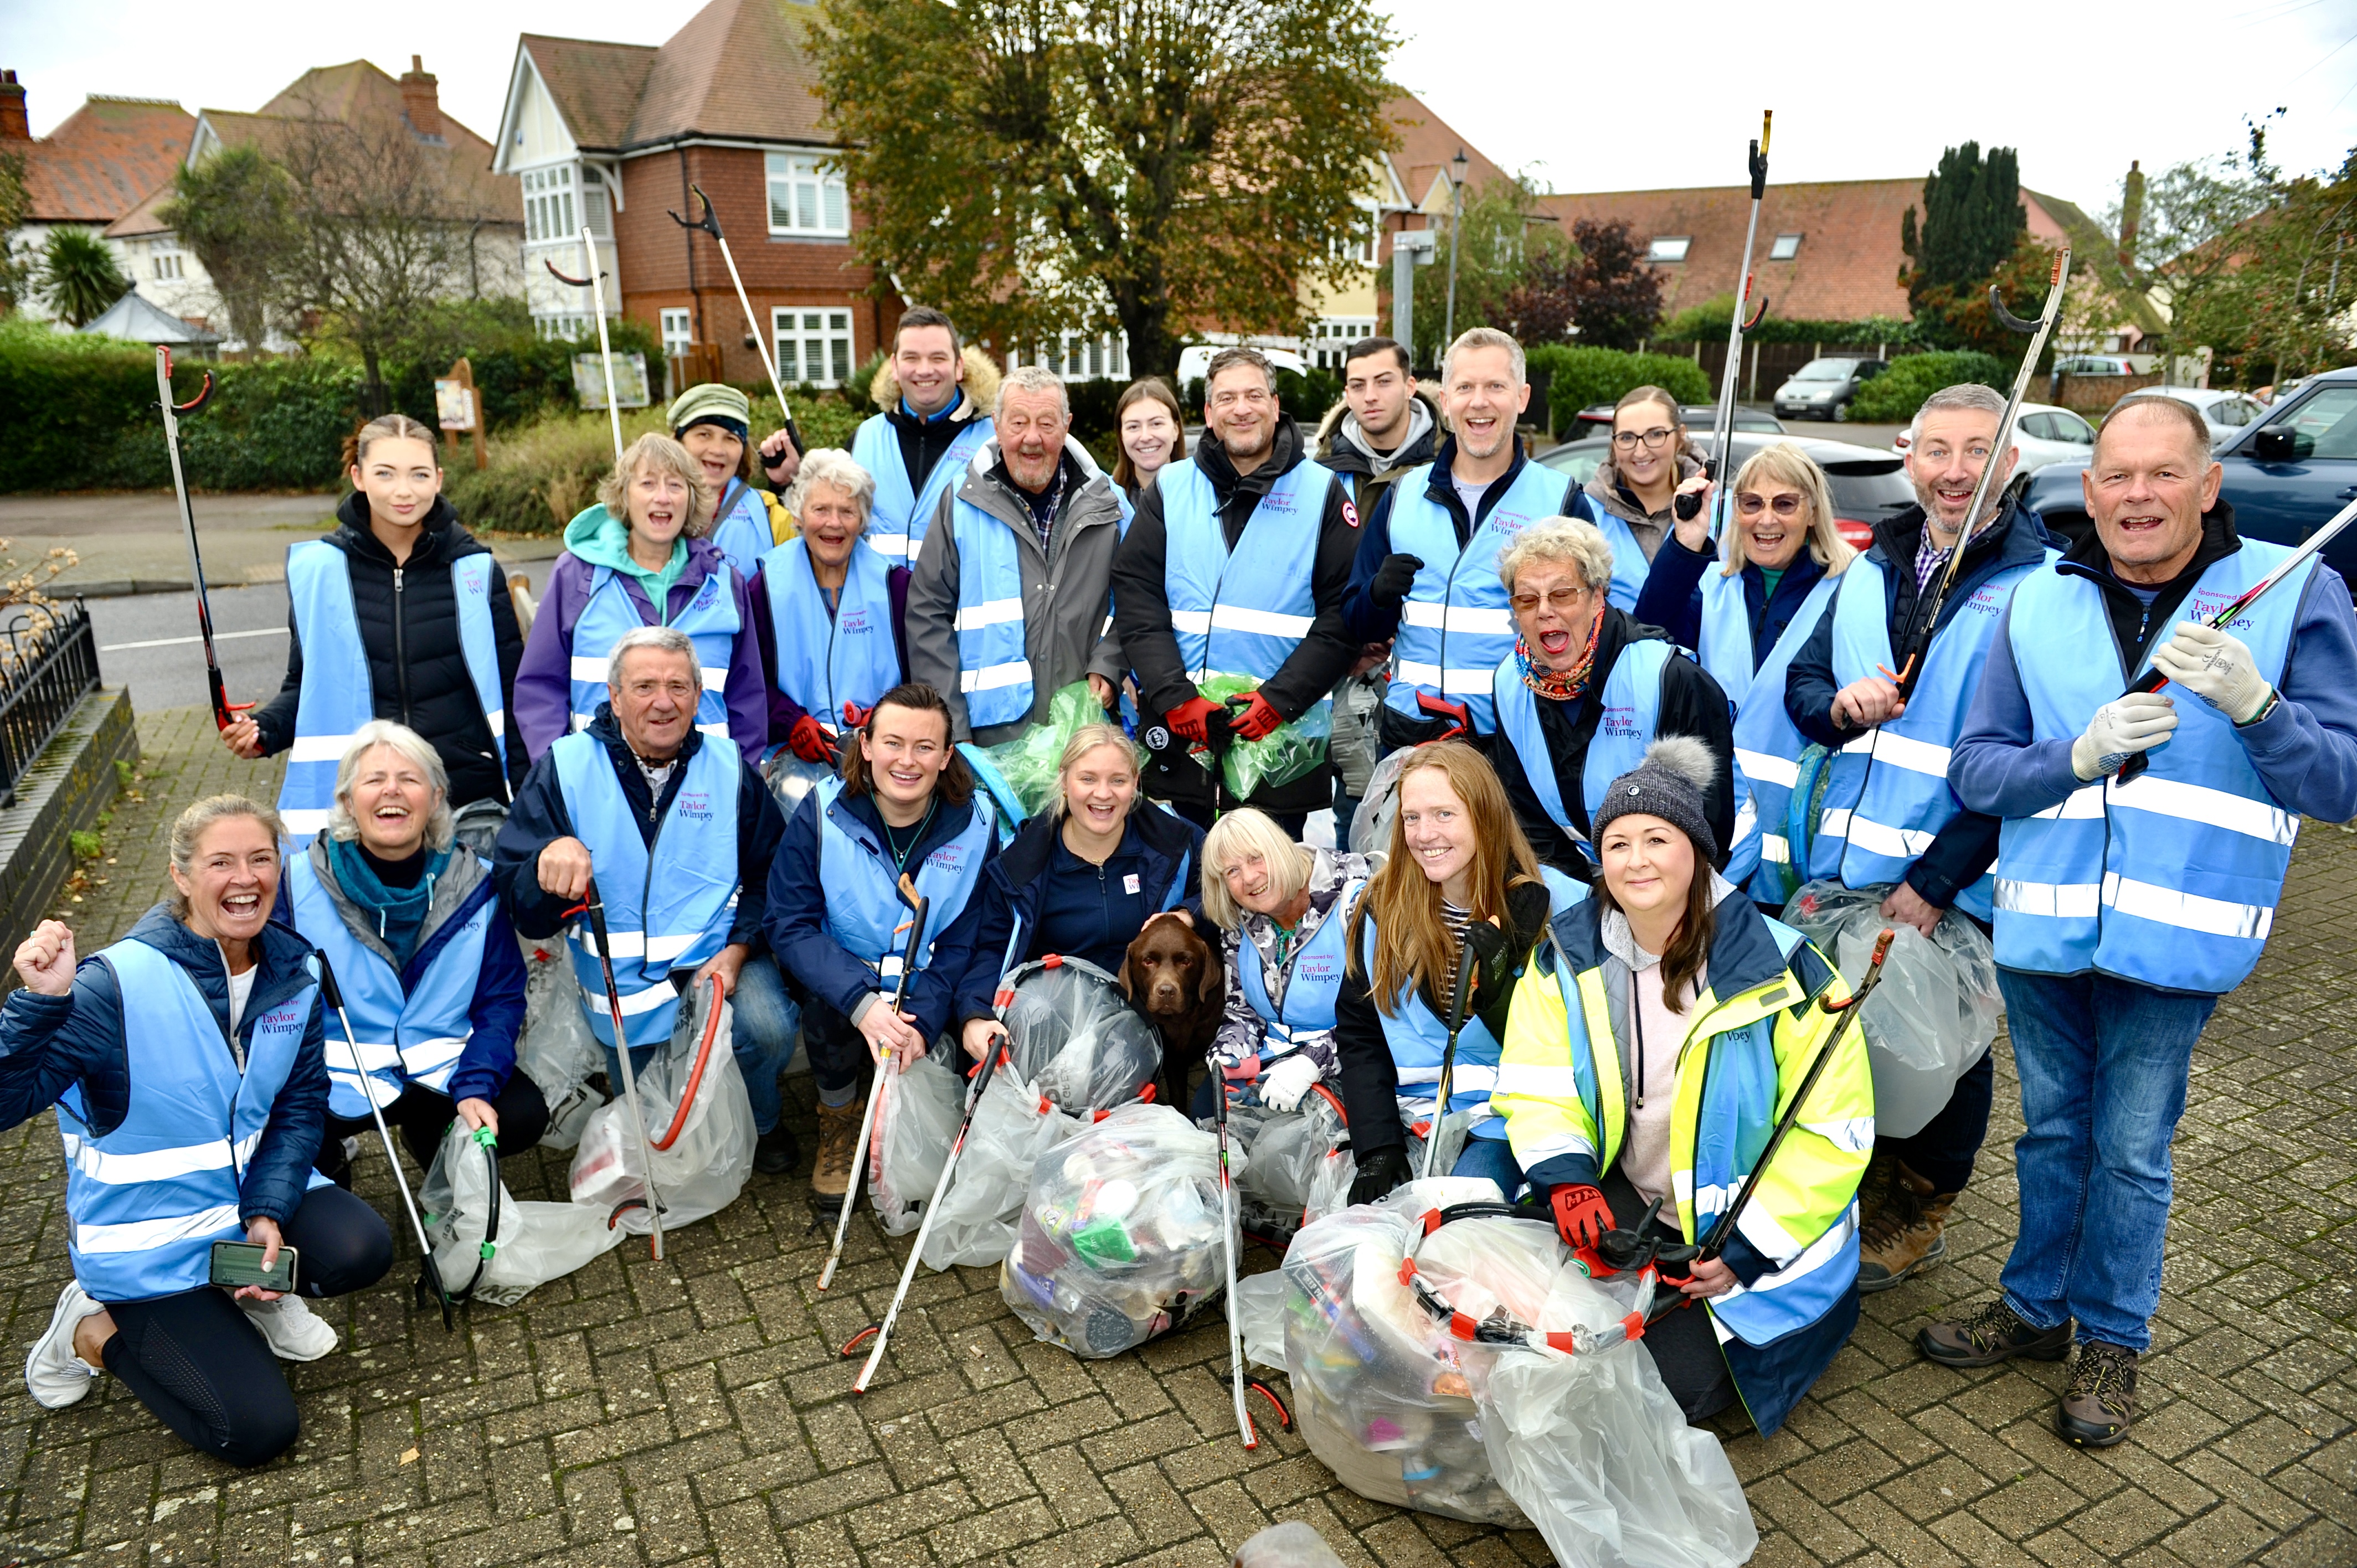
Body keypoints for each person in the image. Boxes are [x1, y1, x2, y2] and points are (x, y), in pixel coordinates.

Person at [1933, 396, 2357, 1447]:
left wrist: (2262, 708)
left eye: (2163, 473)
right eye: (2117, 475)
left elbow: (2342, 784)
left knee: (2130, 1148)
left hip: (2179, 938)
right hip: (2043, 928)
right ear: (2090, 488)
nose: (2136, 496)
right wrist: (2070, 758)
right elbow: (1977, 768)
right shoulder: (2033, 601)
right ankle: (2035, 1310)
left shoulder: (2296, 589)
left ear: (2208, 484)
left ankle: (2111, 1341)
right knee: (2054, 1134)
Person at [1493, 740, 1872, 1432]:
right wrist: (1564, 1178)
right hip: (1627, 1196)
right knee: (1523, 1326)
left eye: (1655, 839)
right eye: (1616, 842)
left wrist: (1744, 1249)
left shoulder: (1792, 976)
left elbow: (1832, 1136)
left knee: (1666, 1397)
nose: (1635, 859)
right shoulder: (1564, 959)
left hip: (1743, 1238)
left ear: (1696, 852)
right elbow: (1536, 1083)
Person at [9, 796, 393, 1466]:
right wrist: (40, 1006)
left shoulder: (291, 969)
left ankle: (247, 1296)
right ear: (182, 877)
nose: (245, 878)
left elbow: (301, 1104)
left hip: (241, 1205)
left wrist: (269, 1213)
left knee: (361, 1248)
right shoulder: (109, 985)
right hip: (147, 1243)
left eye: (261, 859)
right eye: (221, 862)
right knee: (257, 1433)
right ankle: (91, 1331)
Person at [1780, 382, 2053, 1293]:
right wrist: (1835, 706)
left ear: (2010, 463)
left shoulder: (2037, 588)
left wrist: (1938, 879)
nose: (1955, 471)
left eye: (1978, 451)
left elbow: (2029, 756)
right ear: (1910, 454)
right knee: (1855, 1036)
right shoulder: (1870, 564)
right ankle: (1860, 1179)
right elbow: (1806, 687)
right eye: (1938, 450)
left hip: (1951, 876)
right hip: (1847, 863)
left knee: (1950, 1042)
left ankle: (1924, 1204)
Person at [493, 627, 801, 1176]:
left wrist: (738, 949)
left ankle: (761, 1121)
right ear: (613, 697)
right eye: (645, 687)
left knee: (768, 1026)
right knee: (659, 1138)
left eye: (679, 687)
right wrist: (544, 868)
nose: (664, 702)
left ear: (698, 697)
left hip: (716, 964)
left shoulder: (730, 770)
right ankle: (688, 1135)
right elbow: (523, 908)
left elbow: (771, 878)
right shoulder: (564, 769)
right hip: (622, 990)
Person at [226, 415, 524, 840]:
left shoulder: (475, 569)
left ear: (438, 479)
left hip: (466, 800)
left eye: (418, 474)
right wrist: (264, 730)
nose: (404, 490)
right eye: (385, 474)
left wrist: (531, 802)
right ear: (358, 476)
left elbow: (514, 694)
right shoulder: (321, 571)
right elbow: (305, 686)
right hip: (370, 809)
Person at [279, 722, 545, 1184]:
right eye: (374, 780)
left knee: (523, 1115)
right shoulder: (295, 883)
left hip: (440, 1071)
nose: (392, 791)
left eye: (409, 779)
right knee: (290, 1136)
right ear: (347, 801)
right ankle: (329, 1167)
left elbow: (501, 1000)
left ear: (437, 798)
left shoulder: (478, 883)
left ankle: (430, 1139)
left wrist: (477, 1082)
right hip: (339, 1082)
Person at [766, 683, 999, 1204]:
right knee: (829, 1009)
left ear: (946, 756)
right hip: (848, 976)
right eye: (893, 743)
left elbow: (970, 938)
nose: (907, 761)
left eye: (925, 747)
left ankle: (908, 1114)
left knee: (942, 1055)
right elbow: (789, 922)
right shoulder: (822, 810)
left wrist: (926, 1017)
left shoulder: (978, 825)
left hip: (928, 984)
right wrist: (861, 1003)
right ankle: (838, 1118)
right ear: (865, 746)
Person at [1111, 347, 1359, 834]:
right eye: (1227, 398)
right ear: (1208, 413)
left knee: (1266, 890)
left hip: (1279, 741)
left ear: (1275, 403)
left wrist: (1280, 702)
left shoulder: (1323, 492)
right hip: (1182, 739)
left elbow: (1342, 616)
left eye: (1253, 395)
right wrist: (1174, 696)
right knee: (1181, 890)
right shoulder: (1172, 487)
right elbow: (1138, 597)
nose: (1240, 409)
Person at [1332, 743, 1568, 1204]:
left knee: (1453, 1223)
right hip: (1414, 1117)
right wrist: (1377, 1147)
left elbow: (1572, 1050)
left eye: (1444, 814)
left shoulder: (1555, 906)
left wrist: (1499, 995)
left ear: (1485, 815)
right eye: (1412, 817)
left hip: (1510, 1123)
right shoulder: (1381, 907)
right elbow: (1361, 1035)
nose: (1424, 834)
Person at [1636, 442, 1857, 903]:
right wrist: (1687, 540)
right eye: (1751, 504)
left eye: (1785, 504)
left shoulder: (1851, 591)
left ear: (1813, 513)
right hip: (1721, 831)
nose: (1767, 519)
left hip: (1803, 842)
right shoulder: (1713, 585)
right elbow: (1648, 635)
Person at [1344, 328, 1584, 750]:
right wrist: (1378, 595)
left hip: (1518, 742)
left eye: (1496, 386)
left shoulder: (1561, 501)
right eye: (1465, 387)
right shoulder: (1401, 497)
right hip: (1412, 737)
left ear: (1523, 397)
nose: (1479, 401)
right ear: (1445, 402)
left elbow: (1593, 631)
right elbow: (1355, 622)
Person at [953, 725, 1205, 1096]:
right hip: (1057, 1019)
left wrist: (1187, 913)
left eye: (1118, 780)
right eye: (1088, 778)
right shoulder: (1024, 861)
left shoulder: (1175, 842)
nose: (1103, 794)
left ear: (1135, 783)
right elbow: (992, 947)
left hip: (1146, 1016)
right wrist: (974, 1014)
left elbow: (1227, 893)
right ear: (1065, 780)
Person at [1487, 519, 1739, 876]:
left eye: (1562, 594)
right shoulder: (1508, 684)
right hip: (1584, 880)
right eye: (1528, 599)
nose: (1544, 610)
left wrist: (1625, 901)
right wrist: (1580, 902)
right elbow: (1526, 817)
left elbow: (1703, 826)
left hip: (1688, 879)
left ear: (1596, 598)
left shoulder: (1669, 678)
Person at [512, 432, 769, 768]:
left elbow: (746, 698)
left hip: (704, 793)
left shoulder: (723, 583)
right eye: (648, 483)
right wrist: (559, 776)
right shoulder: (576, 576)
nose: (662, 498)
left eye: (676, 486)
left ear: (692, 499)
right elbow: (540, 688)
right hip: (599, 785)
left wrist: (739, 783)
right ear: (624, 496)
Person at [906, 367, 1128, 748]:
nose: (1032, 439)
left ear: (1067, 425)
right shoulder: (959, 503)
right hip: (984, 739)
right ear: (996, 424)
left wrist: (1110, 666)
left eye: (1046, 423)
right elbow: (927, 616)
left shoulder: (1112, 507)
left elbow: (1141, 604)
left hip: (1084, 738)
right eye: (1018, 422)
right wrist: (952, 731)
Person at [1198, 808, 1373, 1117]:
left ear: (1280, 849)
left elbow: (1382, 1014)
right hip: (1274, 1063)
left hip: (1351, 1061)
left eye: (1256, 858)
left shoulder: (1354, 903)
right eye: (1232, 872)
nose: (1249, 878)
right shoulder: (1238, 923)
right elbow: (1242, 1012)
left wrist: (1309, 1064)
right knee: (1207, 1106)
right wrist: (1227, 1055)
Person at [750, 449, 910, 764]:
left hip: (882, 760)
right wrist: (790, 721)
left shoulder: (897, 586)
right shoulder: (763, 586)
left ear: (863, 520)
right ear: (798, 515)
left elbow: (921, 677)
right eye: (820, 509)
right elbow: (750, 680)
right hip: (789, 763)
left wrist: (884, 716)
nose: (833, 523)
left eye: (847, 511)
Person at [850, 307, 1000, 568]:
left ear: (959, 367)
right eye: (912, 358)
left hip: (960, 606)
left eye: (938, 358)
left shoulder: (997, 442)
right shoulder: (863, 439)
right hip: (880, 606)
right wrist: (787, 478)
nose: (925, 370)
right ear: (895, 367)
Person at [1582, 386, 1713, 612]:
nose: (1640, 451)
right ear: (1614, 443)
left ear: (1680, 437)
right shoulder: (1585, 512)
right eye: (1627, 437)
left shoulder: (1721, 508)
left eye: (1656, 435)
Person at [667, 383, 800, 579]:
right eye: (705, 435)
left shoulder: (771, 517)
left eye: (731, 438)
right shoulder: (648, 513)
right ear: (678, 442)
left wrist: (791, 484)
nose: (718, 450)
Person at [1314, 335, 1439, 513]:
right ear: (1348, 396)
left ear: (1410, 387)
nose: (1370, 396)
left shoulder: (1449, 460)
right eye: (1358, 386)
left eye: (1384, 382)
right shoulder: (1324, 466)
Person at [1111, 376, 1187, 512]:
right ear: (1121, 435)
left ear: (1176, 430)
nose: (1145, 437)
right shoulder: (1105, 500)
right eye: (1133, 427)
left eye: (1156, 424)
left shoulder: (1205, 496)